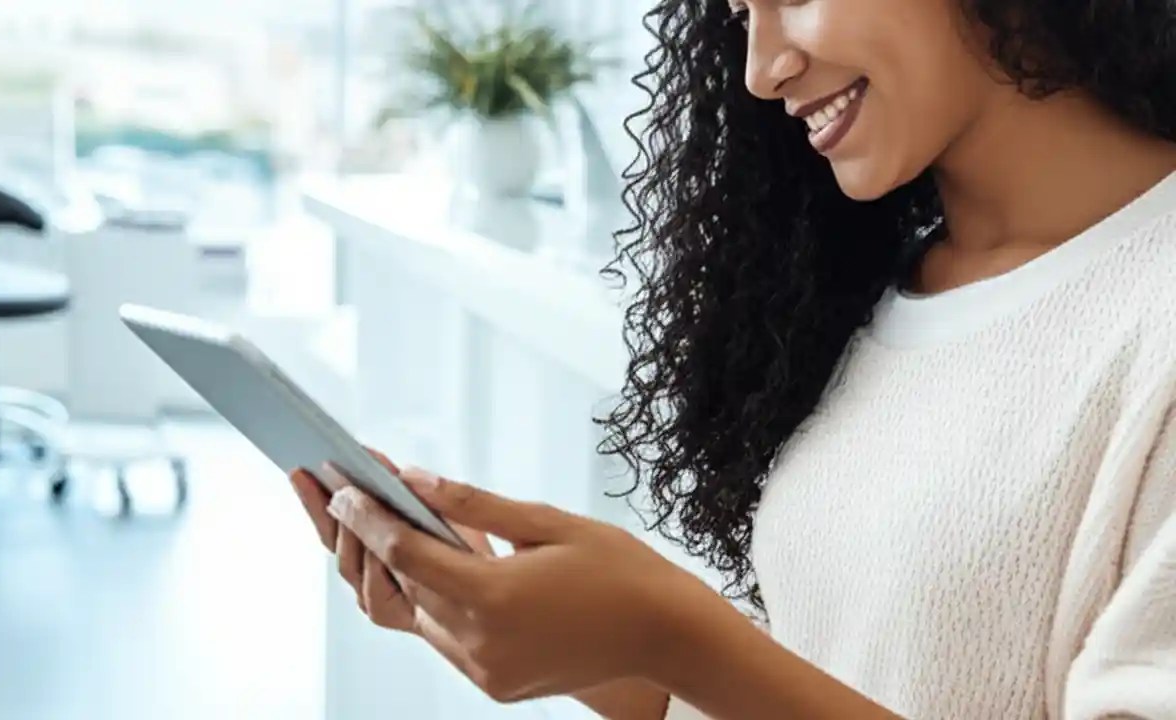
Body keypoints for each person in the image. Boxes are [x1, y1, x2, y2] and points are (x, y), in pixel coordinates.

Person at [289, 0, 1176, 716]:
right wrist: (566, 635)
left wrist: (672, 633)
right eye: (740, 12)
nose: (761, 69)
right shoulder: (874, 298)